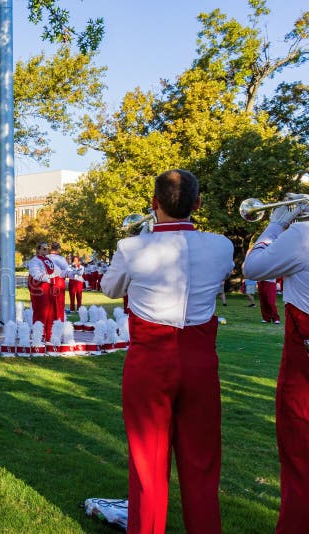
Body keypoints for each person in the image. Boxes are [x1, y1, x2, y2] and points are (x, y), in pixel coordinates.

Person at [101, 169, 233, 534]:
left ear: (154, 204)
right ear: (198, 203)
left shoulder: (131, 248)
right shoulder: (222, 245)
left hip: (149, 361)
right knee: (202, 462)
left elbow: (110, 288)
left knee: (148, 463)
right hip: (200, 360)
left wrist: (142, 239)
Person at [242, 193, 309, 532]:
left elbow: (253, 267)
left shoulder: (302, 235)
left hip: (303, 362)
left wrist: (277, 223)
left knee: (300, 456)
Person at [27, 243, 55, 341]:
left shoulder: (48, 259)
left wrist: (70, 273)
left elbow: (57, 271)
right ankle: (38, 335)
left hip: (49, 288)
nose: (46, 250)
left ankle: (49, 334)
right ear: (38, 249)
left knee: (50, 312)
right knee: (40, 311)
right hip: (39, 288)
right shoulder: (34, 261)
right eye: (44, 248)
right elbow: (35, 274)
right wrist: (48, 278)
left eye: (47, 248)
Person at [47, 242, 69, 321]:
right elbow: (67, 270)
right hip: (58, 281)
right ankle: (59, 322)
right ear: (58, 249)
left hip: (47, 282)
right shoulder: (61, 258)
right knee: (59, 304)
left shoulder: (45, 257)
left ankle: (49, 323)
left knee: (48, 304)